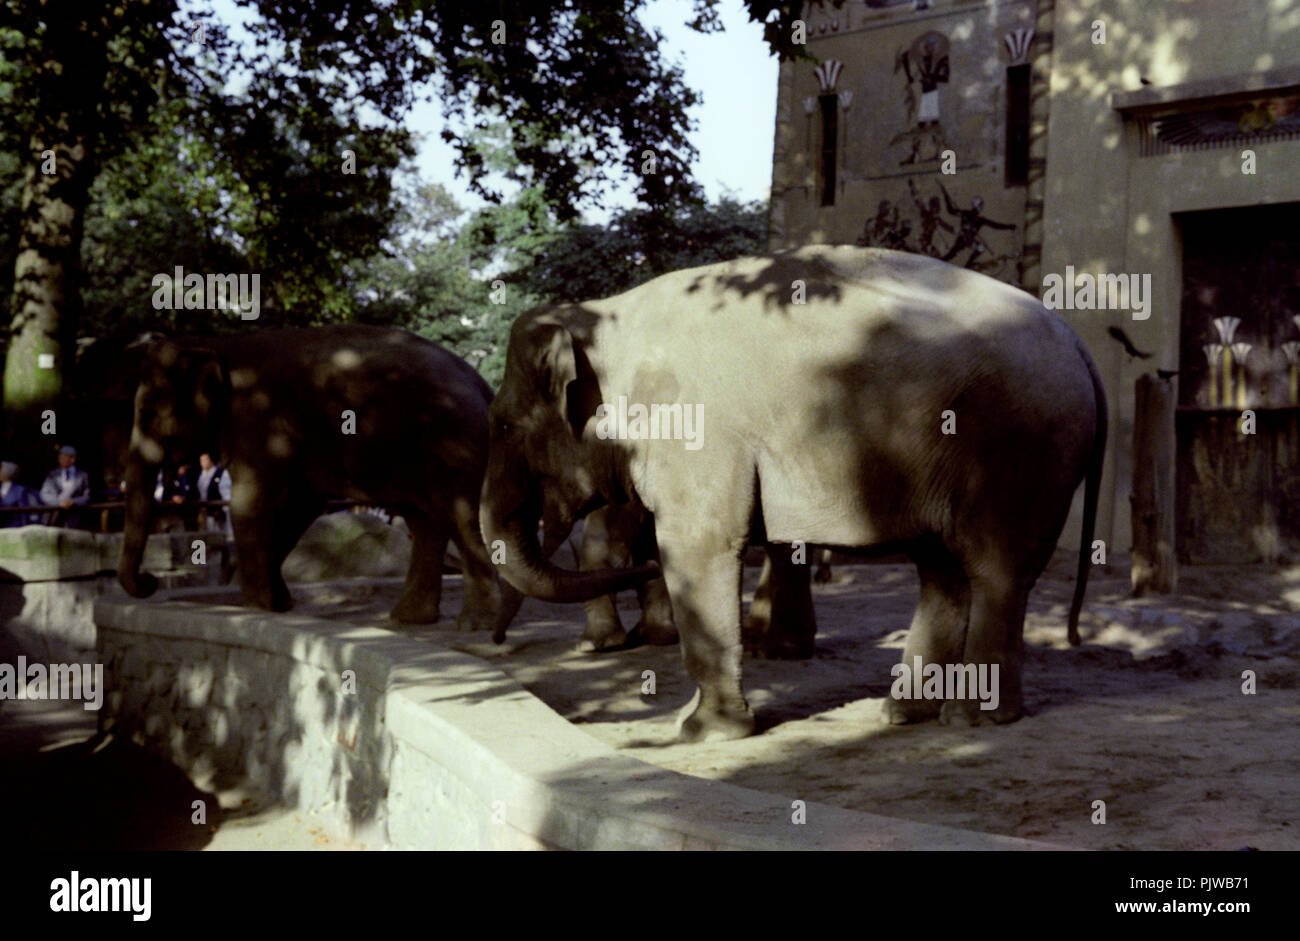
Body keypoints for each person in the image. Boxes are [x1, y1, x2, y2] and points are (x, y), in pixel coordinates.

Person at [39, 446, 90, 526]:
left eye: (64, 456)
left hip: (73, 519)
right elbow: (45, 494)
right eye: (60, 456)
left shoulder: (82, 476)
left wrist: (73, 502)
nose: (60, 459)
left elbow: (87, 497)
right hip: (52, 517)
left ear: (73, 459)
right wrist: (59, 503)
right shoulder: (52, 475)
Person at [195, 452, 232, 534]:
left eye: (205, 460)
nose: (203, 462)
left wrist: (221, 509)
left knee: (221, 534)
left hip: (218, 510)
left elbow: (226, 493)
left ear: (211, 460)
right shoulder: (200, 476)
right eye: (201, 460)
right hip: (205, 511)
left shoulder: (221, 473)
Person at [0, 461, 39, 527]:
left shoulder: (20, 490)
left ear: (7, 472)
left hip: (14, 527)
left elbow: (24, 513)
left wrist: (24, 528)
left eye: (1, 471)